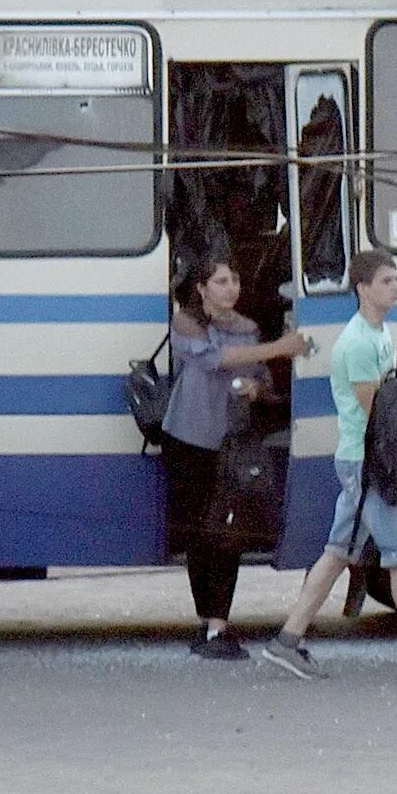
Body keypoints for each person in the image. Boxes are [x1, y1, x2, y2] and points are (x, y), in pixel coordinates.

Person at [256, 248, 397, 681]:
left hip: (364, 459)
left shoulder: (377, 333)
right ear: (362, 288)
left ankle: (287, 641)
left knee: (338, 552)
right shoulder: (359, 342)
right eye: (386, 282)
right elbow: (377, 408)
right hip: (368, 462)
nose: (396, 288)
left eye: (396, 280)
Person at [160, 254, 312, 660]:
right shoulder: (186, 323)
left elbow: (262, 381)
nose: (231, 288)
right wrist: (280, 347)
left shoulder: (249, 330)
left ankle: (217, 626)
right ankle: (206, 619)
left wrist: (256, 390)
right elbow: (213, 360)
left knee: (227, 534)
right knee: (196, 532)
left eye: (235, 280)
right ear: (202, 288)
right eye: (222, 281)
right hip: (189, 438)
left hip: (232, 442)